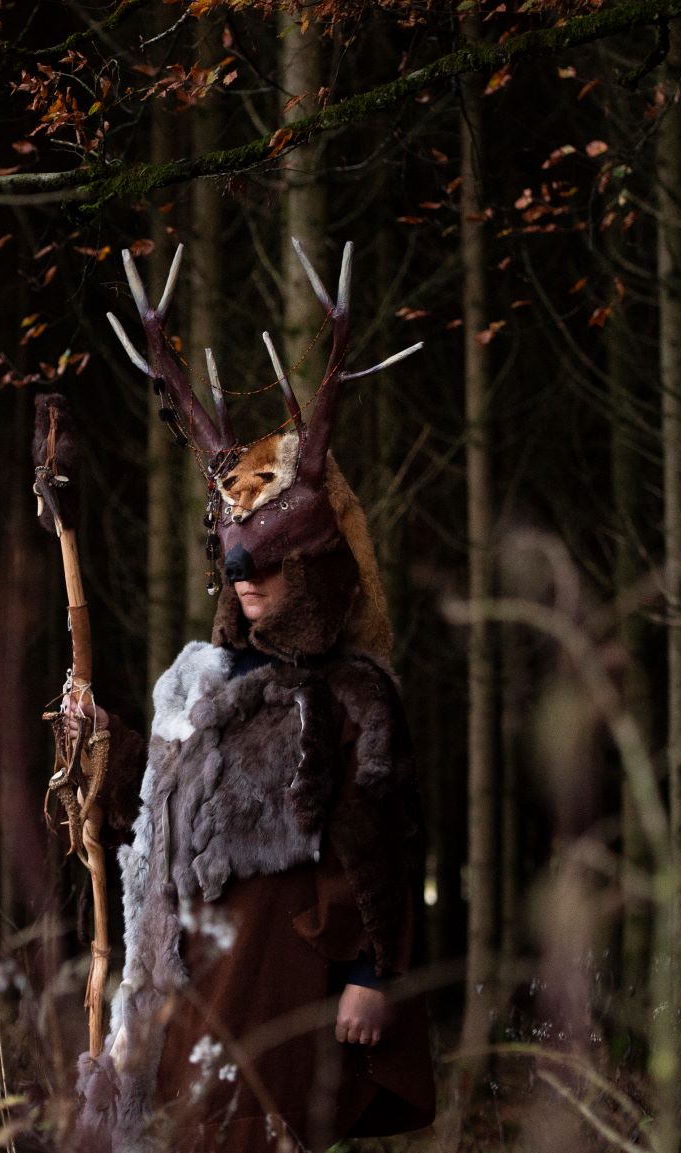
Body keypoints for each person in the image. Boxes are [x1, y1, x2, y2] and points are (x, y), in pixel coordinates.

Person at [77, 244, 433, 1153]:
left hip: (282, 969)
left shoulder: (351, 695)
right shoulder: (199, 678)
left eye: (269, 563)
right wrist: (100, 746)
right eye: (236, 561)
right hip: (186, 965)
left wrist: (369, 972)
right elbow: (157, 820)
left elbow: (381, 843)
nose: (245, 579)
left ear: (312, 567)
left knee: (251, 1132)